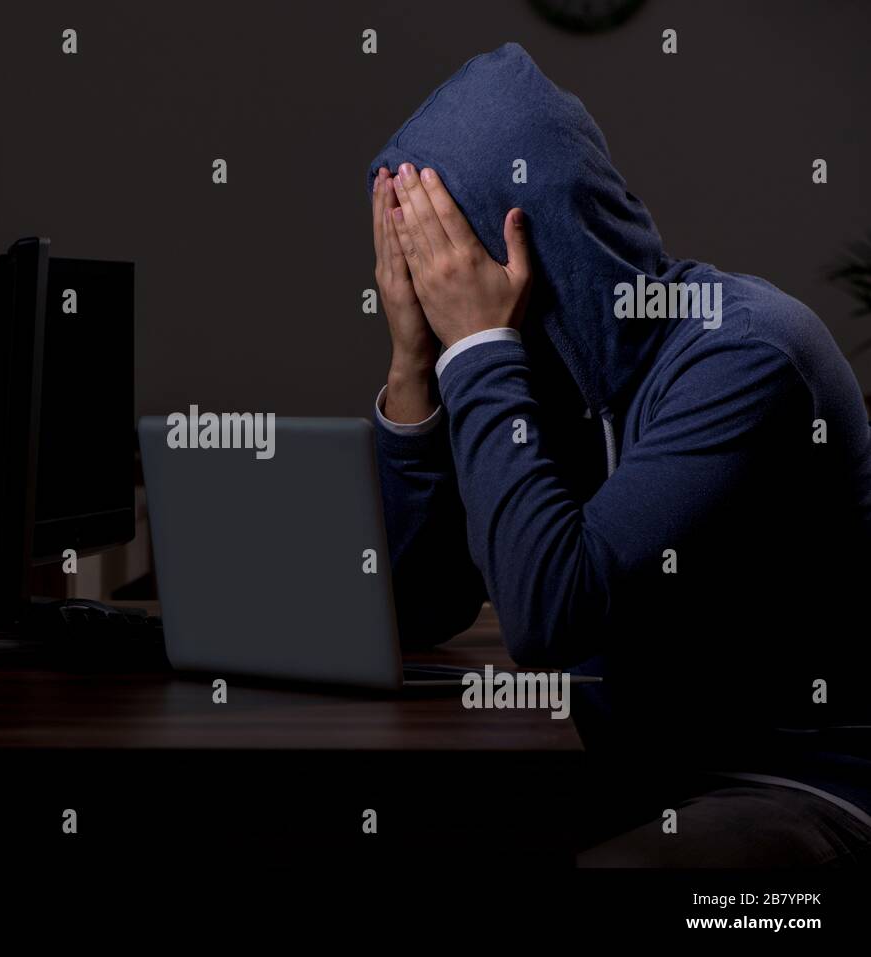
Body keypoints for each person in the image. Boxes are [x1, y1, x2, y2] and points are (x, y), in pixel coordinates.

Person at [366, 43, 871, 866]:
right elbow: (422, 606)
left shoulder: (748, 357)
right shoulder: (544, 382)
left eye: (442, 260)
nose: (429, 285)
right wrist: (413, 366)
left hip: (798, 788)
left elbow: (547, 615)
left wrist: (479, 349)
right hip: (629, 768)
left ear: (527, 243)